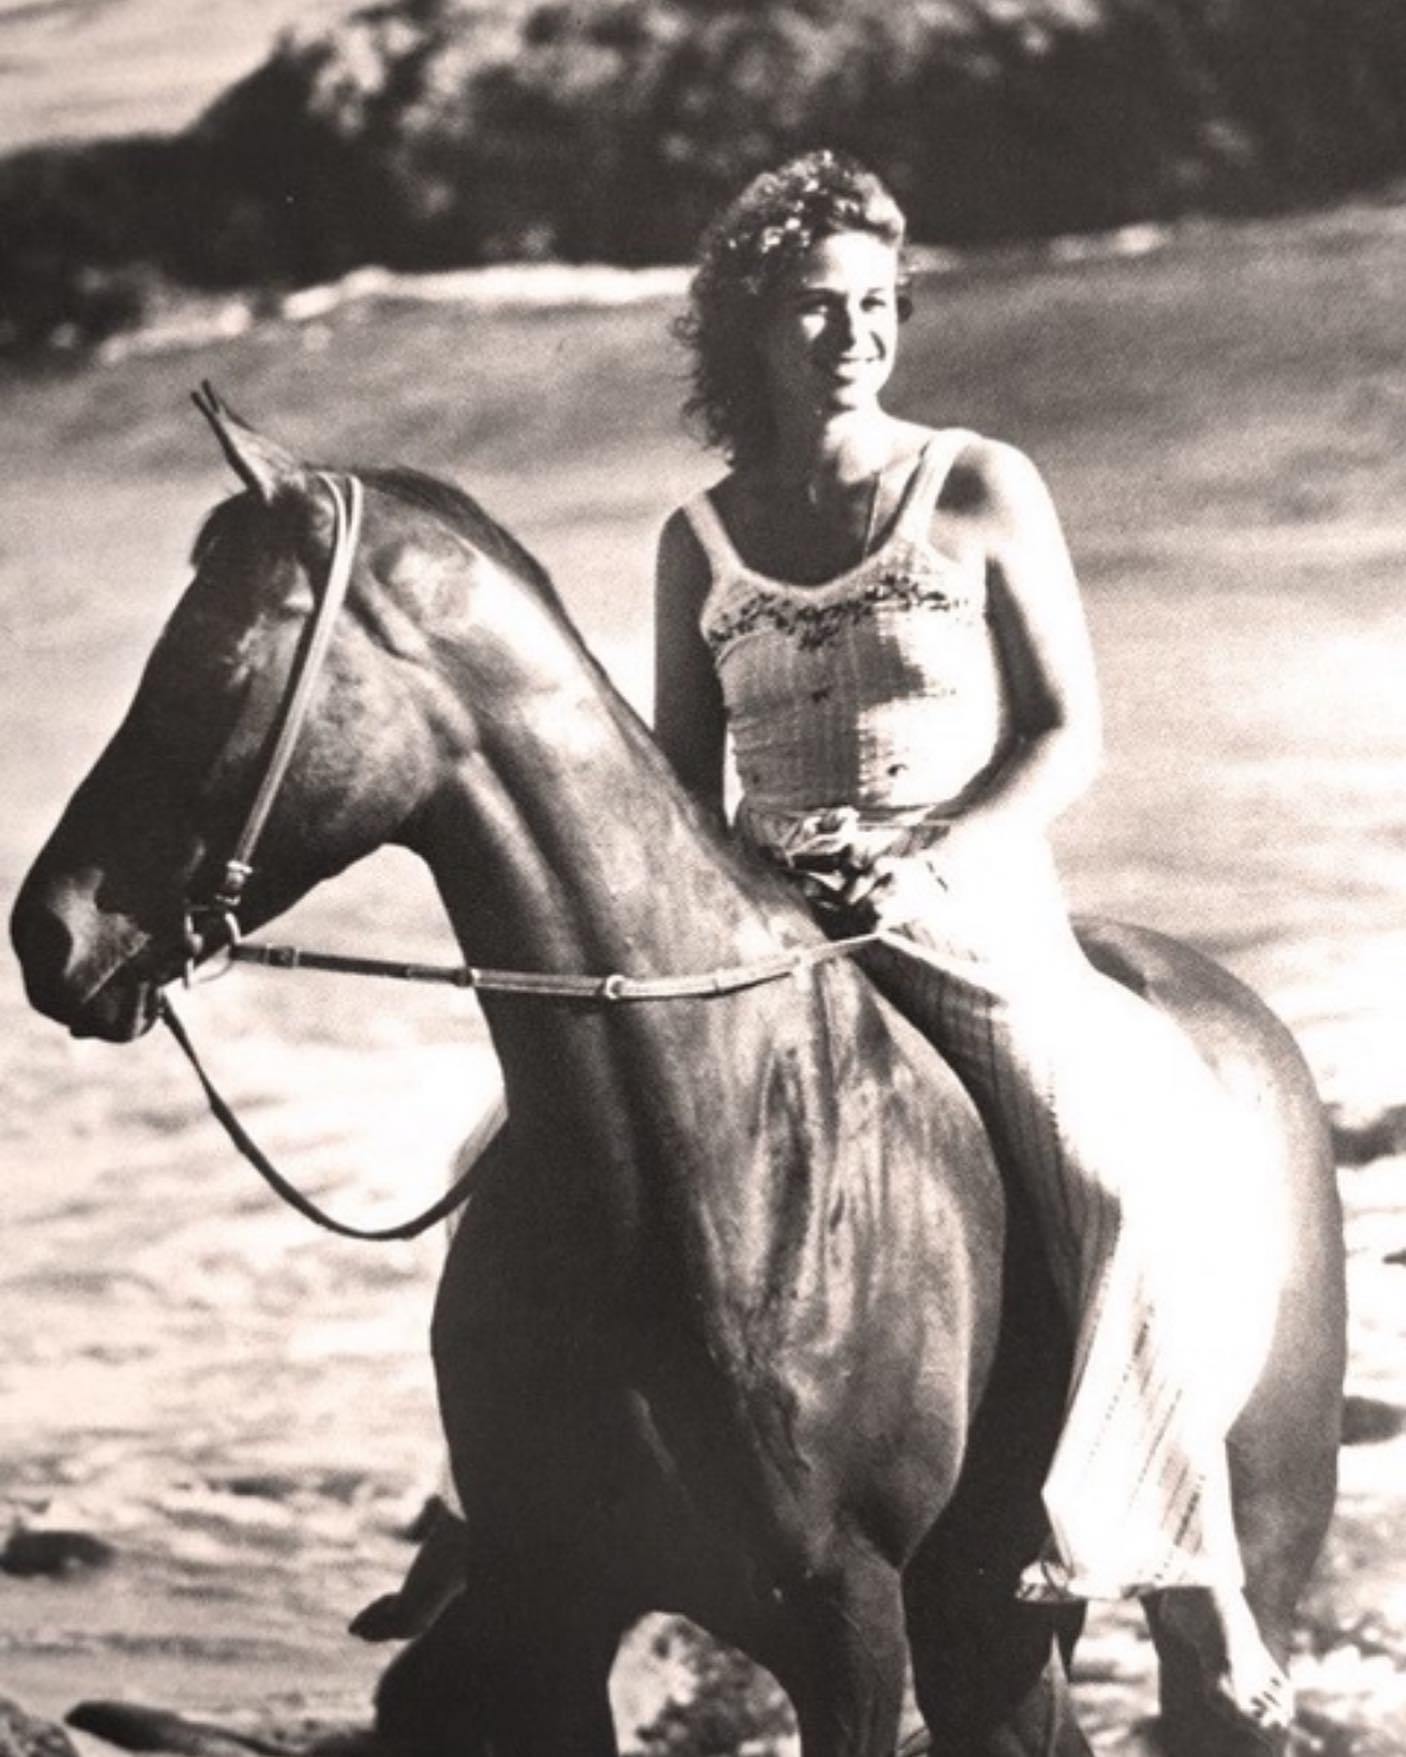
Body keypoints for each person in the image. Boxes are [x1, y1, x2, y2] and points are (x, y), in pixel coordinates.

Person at [652, 148, 1292, 1735]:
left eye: (878, 303)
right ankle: (517, 1539)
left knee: (1117, 1173)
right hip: (769, 932)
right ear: (752, 325)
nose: (855, 335)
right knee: (531, 1153)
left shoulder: (977, 483)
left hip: (963, 901)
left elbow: (1064, 735)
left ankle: (1184, 1570)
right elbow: (677, 791)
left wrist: (921, 850)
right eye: (819, 307)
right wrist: (740, 895)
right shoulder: (700, 536)